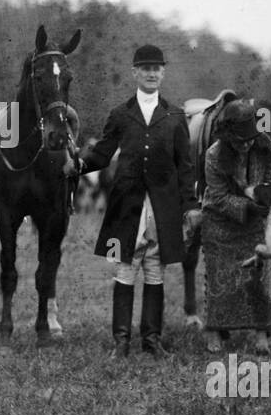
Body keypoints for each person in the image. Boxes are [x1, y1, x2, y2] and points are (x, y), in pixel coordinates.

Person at [71, 44, 199, 358]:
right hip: (126, 205)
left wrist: (191, 205)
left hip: (162, 207)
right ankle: (121, 341)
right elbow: (101, 153)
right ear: (135, 73)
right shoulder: (120, 115)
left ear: (163, 73)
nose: (152, 73)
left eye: (157, 68)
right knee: (125, 268)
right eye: (146, 68)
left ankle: (152, 340)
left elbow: (185, 166)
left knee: (155, 269)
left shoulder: (175, 116)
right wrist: (76, 165)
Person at [200, 100, 271, 354]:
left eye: (249, 139)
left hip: (253, 223)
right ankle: (214, 330)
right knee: (218, 277)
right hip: (220, 220)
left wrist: (264, 200)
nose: (245, 145)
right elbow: (219, 197)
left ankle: (261, 334)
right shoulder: (213, 155)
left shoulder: (266, 149)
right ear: (227, 137)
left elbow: (270, 182)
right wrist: (247, 206)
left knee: (258, 275)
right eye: (239, 141)